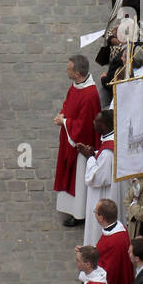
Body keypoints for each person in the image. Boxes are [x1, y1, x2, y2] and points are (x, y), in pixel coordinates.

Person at [54, 54, 101, 229]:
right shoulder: (77, 85)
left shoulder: (90, 95)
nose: (67, 71)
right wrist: (63, 114)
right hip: (69, 138)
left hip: (80, 147)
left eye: (69, 69)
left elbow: (84, 126)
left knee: (78, 180)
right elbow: (69, 102)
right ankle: (69, 208)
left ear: (78, 73)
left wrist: (64, 122)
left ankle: (79, 213)